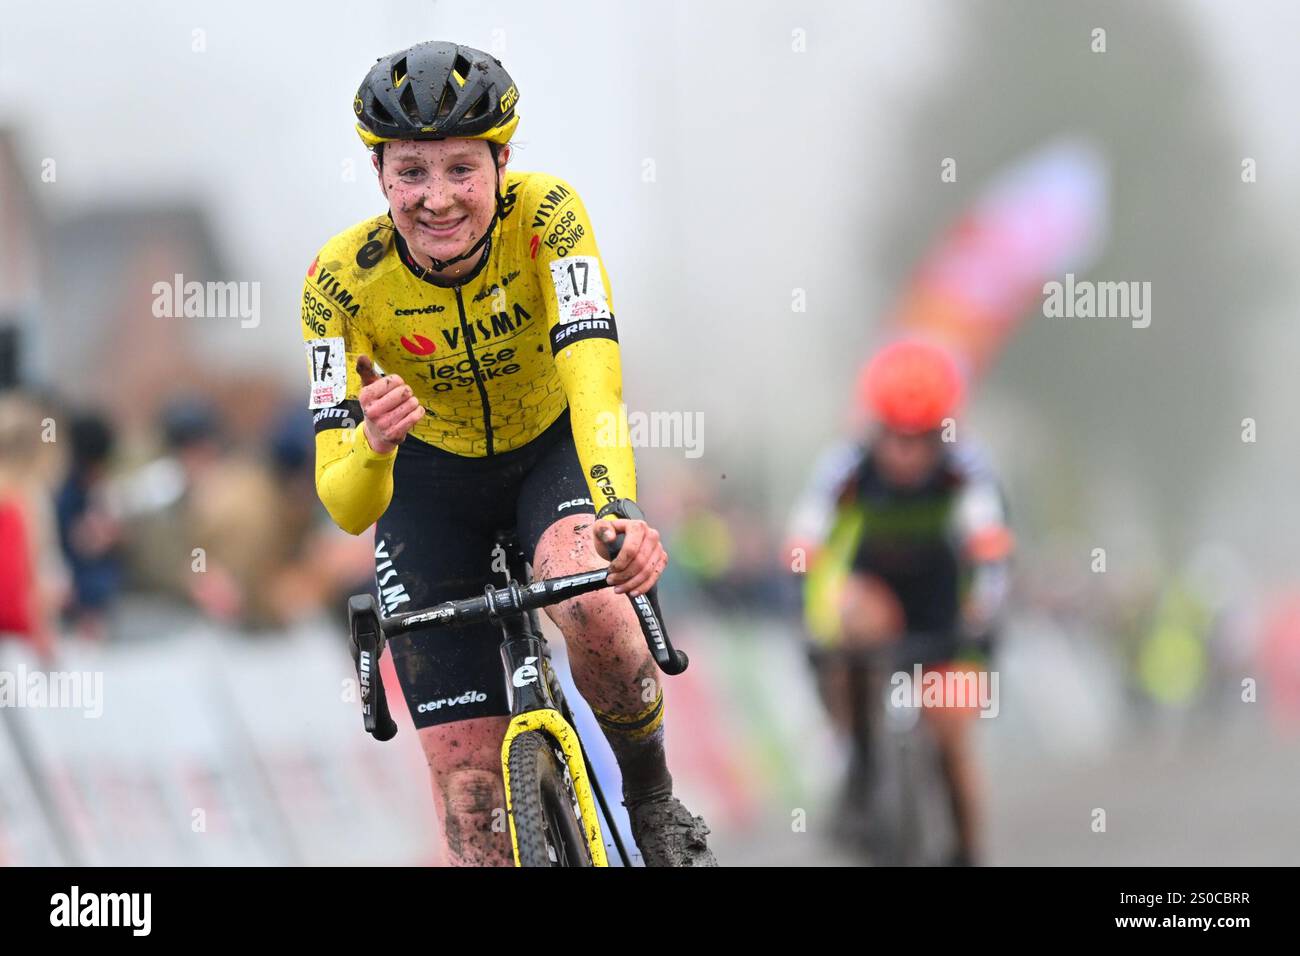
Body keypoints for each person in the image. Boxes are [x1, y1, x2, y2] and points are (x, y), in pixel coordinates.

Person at [301, 41, 715, 866]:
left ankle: (654, 802)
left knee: (594, 602)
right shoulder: (337, 283)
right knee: (469, 803)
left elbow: (593, 377)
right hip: (425, 484)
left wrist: (617, 510)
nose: (439, 198)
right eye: (411, 173)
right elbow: (346, 504)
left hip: (548, 450)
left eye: (462, 169)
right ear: (380, 176)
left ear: (502, 161)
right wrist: (375, 444)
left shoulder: (549, 215)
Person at [790, 338, 1012, 865]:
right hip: (879, 602)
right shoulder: (846, 464)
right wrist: (811, 618)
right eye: (895, 435)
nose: (906, 453)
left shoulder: (968, 469)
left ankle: (965, 848)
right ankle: (860, 764)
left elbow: (991, 555)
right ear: (876, 426)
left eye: (922, 438)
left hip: (948, 613)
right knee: (846, 634)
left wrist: (983, 619)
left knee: (951, 733)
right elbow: (804, 544)